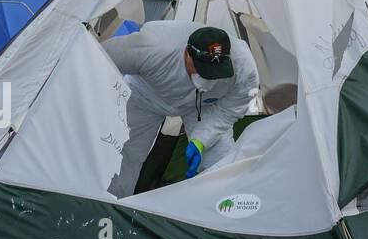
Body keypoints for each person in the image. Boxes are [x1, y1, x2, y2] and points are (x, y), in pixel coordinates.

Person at [103, 22, 259, 197]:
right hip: (145, 96)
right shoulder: (153, 45)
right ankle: (108, 204)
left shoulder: (245, 70)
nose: (206, 81)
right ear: (187, 53)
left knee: (221, 163)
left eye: (214, 72)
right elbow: (99, 58)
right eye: (202, 70)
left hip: (202, 105)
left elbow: (229, 110)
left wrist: (201, 140)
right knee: (122, 154)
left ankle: (222, 211)